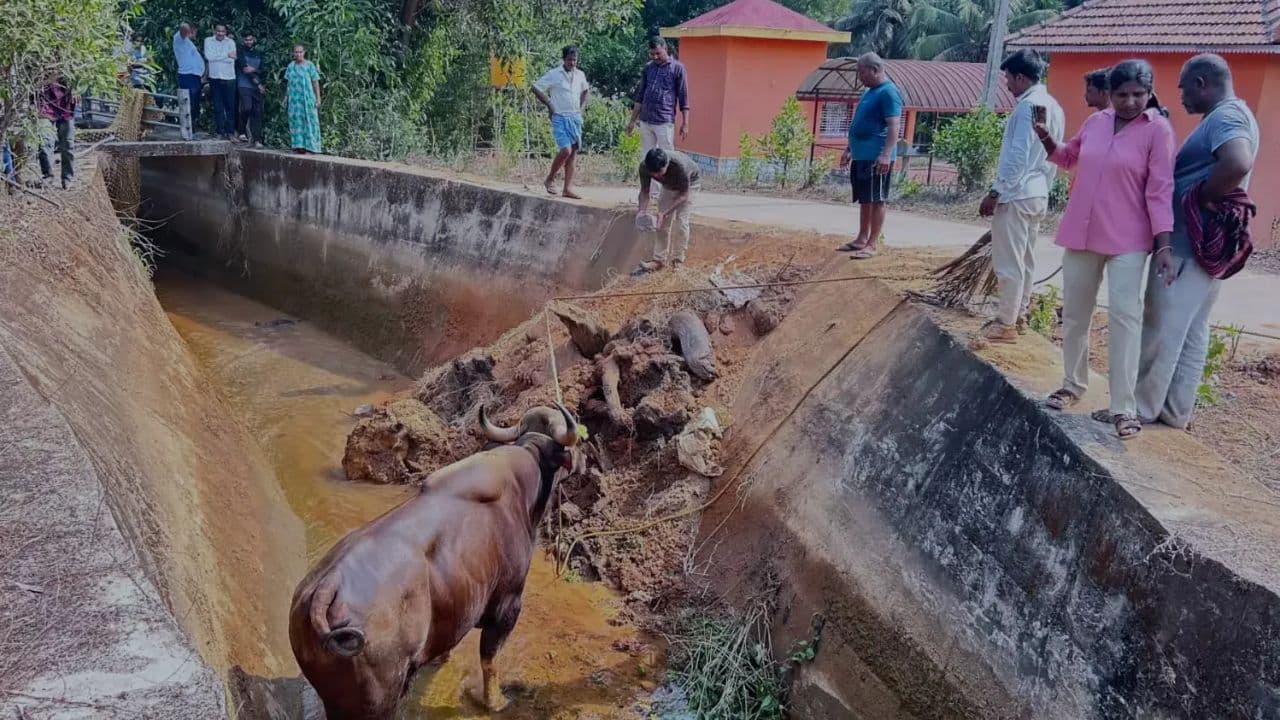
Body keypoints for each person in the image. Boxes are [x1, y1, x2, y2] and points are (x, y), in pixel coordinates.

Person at [1035, 60, 1175, 439]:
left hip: (1129, 240)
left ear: (1149, 93)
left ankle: (1123, 408)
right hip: (1082, 233)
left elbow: (1160, 189)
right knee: (1075, 314)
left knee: (1125, 319)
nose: (1130, 101)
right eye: (1122, 94)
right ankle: (1072, 384)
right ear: (1109, 94)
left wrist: (1164, 244)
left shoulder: (1157, 131)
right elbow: (1068, 157)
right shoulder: (1096, 122)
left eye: (1138, 94)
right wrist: (1046, 138)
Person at [1135, 53, 1258, 429]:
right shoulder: (1233, 114)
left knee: (1162, 327)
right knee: (1191, 331)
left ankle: (1140, 408)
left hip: (1188, 246)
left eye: (1185, 88)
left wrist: (1202, 196)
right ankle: (1175, 412)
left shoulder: (1226, 117)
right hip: (1205, 247)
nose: (1182, 96)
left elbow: (1237, 162)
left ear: (1201, 83)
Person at [978, 49, 1064, 343]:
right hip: (1037, 193)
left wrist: (996, 192)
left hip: (1017, 194)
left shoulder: (1029, 107)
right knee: (1025, 259)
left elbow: (1017, 157)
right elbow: (1053, 155)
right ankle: (1020, 315)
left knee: (1009, 263)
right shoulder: (1053, 106)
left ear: (1020, 77)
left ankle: (1005, 323)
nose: (1007, 84)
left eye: (1008, 78)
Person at [837, 53, 903, 260]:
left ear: (874, 70)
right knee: (865, 198)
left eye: (862, 72)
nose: (860, 77)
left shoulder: (889, 92)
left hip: (876, 157)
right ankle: (861, 238)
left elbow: (894, 125)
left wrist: (885, 155)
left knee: (877, 199)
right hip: (861, 156)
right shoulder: (869, 92)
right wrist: (849, 149)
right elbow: (859, 122)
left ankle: (872, 244)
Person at [532, 45, 590, 198]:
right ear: (564, 59)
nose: (572, 63)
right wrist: (549, 104)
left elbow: (585, 91)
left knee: (573, 153)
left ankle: (567, 188)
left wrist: (582, 109)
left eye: (574, 60)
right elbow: (536, 87)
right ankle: (550, 178)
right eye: (569, 60)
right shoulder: (554, 74)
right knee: (566, 150)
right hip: (559, 116)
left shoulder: (580, 74)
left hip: (575, 117)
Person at [634, 147, 700, 273]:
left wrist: (664, 213)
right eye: (653, 174)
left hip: (690, 184)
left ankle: (677, 261)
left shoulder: (680, 166)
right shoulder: (645, 167)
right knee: (661, 224)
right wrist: (641, 212)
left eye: (659, 173)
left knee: (681, 223)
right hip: (669, 186)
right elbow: (645, 191)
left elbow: (683, 196)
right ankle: (659, 260)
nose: (656, 176)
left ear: (667, 164)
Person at [625, 37, 690, 164]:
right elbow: (640, 96)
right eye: (652, 54)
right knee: (646, 157)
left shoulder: (678, 68)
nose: (655, 57)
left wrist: (685, 123)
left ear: (665, 49)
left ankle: (668, 178)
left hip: (664, 121)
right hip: (646, 120)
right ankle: (646, 178)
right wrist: (632, 121)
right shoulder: (648, 68)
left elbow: (684, 98)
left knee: (667, 157)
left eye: (658, 53)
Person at [37, 78, 76, 189]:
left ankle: (67, 178)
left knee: (67, 144)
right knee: (44, 141)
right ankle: (48, 175)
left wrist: (76, 89)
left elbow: (80, 79)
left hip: (66, 107)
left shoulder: (69, 71)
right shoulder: (39, 70)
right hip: (45, 106)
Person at [285, 45, 322, 154]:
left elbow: (315, 82)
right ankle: (299, 146)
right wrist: (286, 97)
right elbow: (289, 83)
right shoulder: (291, 66)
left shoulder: (309, 65)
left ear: (304, 53)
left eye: (300, 52)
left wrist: (318, 98)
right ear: (293, 53)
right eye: (296, 52)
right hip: (294, 101)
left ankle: (312, 147)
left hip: (307, 99)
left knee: (310, 122)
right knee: (296, 122)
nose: (298, 54)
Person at [204, 25, 238, 139]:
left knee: (230, 106)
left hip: (229, 78)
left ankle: (230, 132)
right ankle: (220, 131)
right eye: (218, 31)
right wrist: (226, 55)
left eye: (223, 31)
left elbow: (232, 59)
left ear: (226, 32)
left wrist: (218, 57)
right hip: (214, 77)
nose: (220, 33)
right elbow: (209, 57)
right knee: (218, 105)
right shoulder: (208, 41)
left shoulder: (231, 42)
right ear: (215, 31)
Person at [236, 33, 266, 146]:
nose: (248, 42)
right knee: (247, 108)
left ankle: (257, 139)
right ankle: (241, 131)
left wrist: (254, 70)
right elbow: (245, 70)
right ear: (243, 40)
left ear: (254, 40)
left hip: (257, 87)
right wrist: (258, 83)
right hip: (244, 85)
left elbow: (262, 69)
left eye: (250, 40)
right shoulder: (240, 52)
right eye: (246, 40)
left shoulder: (258, 53)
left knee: (257, 112)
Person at [173, 23, 205, 129]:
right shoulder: (179, 39)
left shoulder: (189, 43)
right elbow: (183, 26)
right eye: (195, 31)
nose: (196, 34)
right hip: (187, 76)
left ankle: (191, 128)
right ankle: (187, 128)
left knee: (195, 103)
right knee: (188, 103)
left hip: (195, 76)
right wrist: (189, 31)